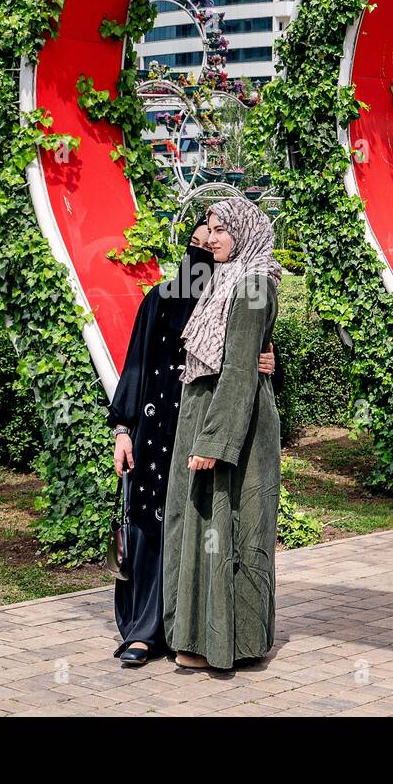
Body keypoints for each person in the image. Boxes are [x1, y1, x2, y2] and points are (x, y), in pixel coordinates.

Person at [106, 223, 278, 667]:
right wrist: (123, 429)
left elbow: (246, 363)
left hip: (199, 432)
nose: (202, 252)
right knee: (149, 526)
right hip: (153, 432)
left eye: (212, 242)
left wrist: (271, 361)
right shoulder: (159, 300)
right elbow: (135, 369)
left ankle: (188, 628)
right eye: (196, 244)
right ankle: (144, 632)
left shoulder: (229, 295)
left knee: (195, 529)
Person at [163, 197, 282, 671]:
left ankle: (230, 642)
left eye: (219, 229)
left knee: (233, 527)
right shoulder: (226, 281)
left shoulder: (254, 283)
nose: (209, 237)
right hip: (206, 412)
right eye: (208, 228)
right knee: (200, 527)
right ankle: (195, 637)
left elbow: (238, 369)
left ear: (245, 231)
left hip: (235, 427)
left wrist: (215, 443)